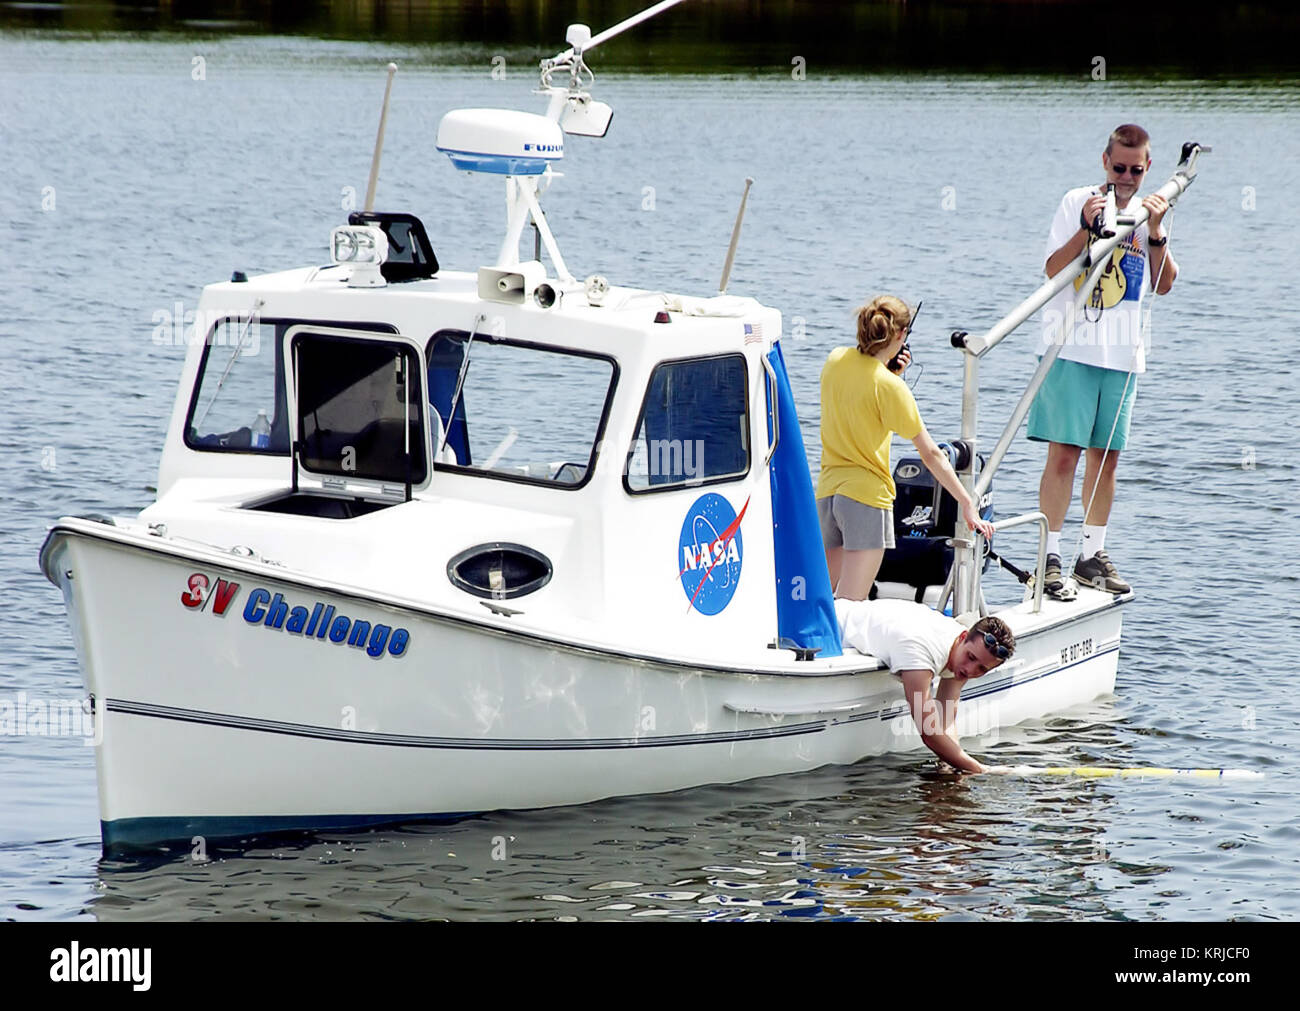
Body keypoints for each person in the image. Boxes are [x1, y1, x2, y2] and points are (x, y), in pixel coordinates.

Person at [1029, 124, 1178, 600]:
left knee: (1107, 459)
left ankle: (1090, 554)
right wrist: (1085, 229)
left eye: (1136, 169)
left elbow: (1163, 283)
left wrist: (1155, 232)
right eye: (1119, 168)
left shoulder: (1149, 210)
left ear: (1148, 167)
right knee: (1064, 455)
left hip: (1122, 356)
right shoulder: (1079, 200)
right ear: (1104, 161)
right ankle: (1049, 556)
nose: (1127, 177)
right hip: (1072, 349)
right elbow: (1054, 269)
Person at [817, 295, 995, 600]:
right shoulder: (890, 387)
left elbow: (861, 398)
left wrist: (889, 370)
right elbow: (931, 454)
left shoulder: (835, 360)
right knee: (849, 605)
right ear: (900, 335)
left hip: (828, 494)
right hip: (865, 500)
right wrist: (967, 502)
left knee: (820, 599)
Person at [836, 598, 1016, 773]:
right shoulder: (921, 651)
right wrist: (980, 769)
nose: (969, 670)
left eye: (982, 669)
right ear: (963, 637)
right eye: (971, 657)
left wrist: (951, 767)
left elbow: (945, 719)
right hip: (832, 626)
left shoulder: (962, 654)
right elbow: (928, 732)